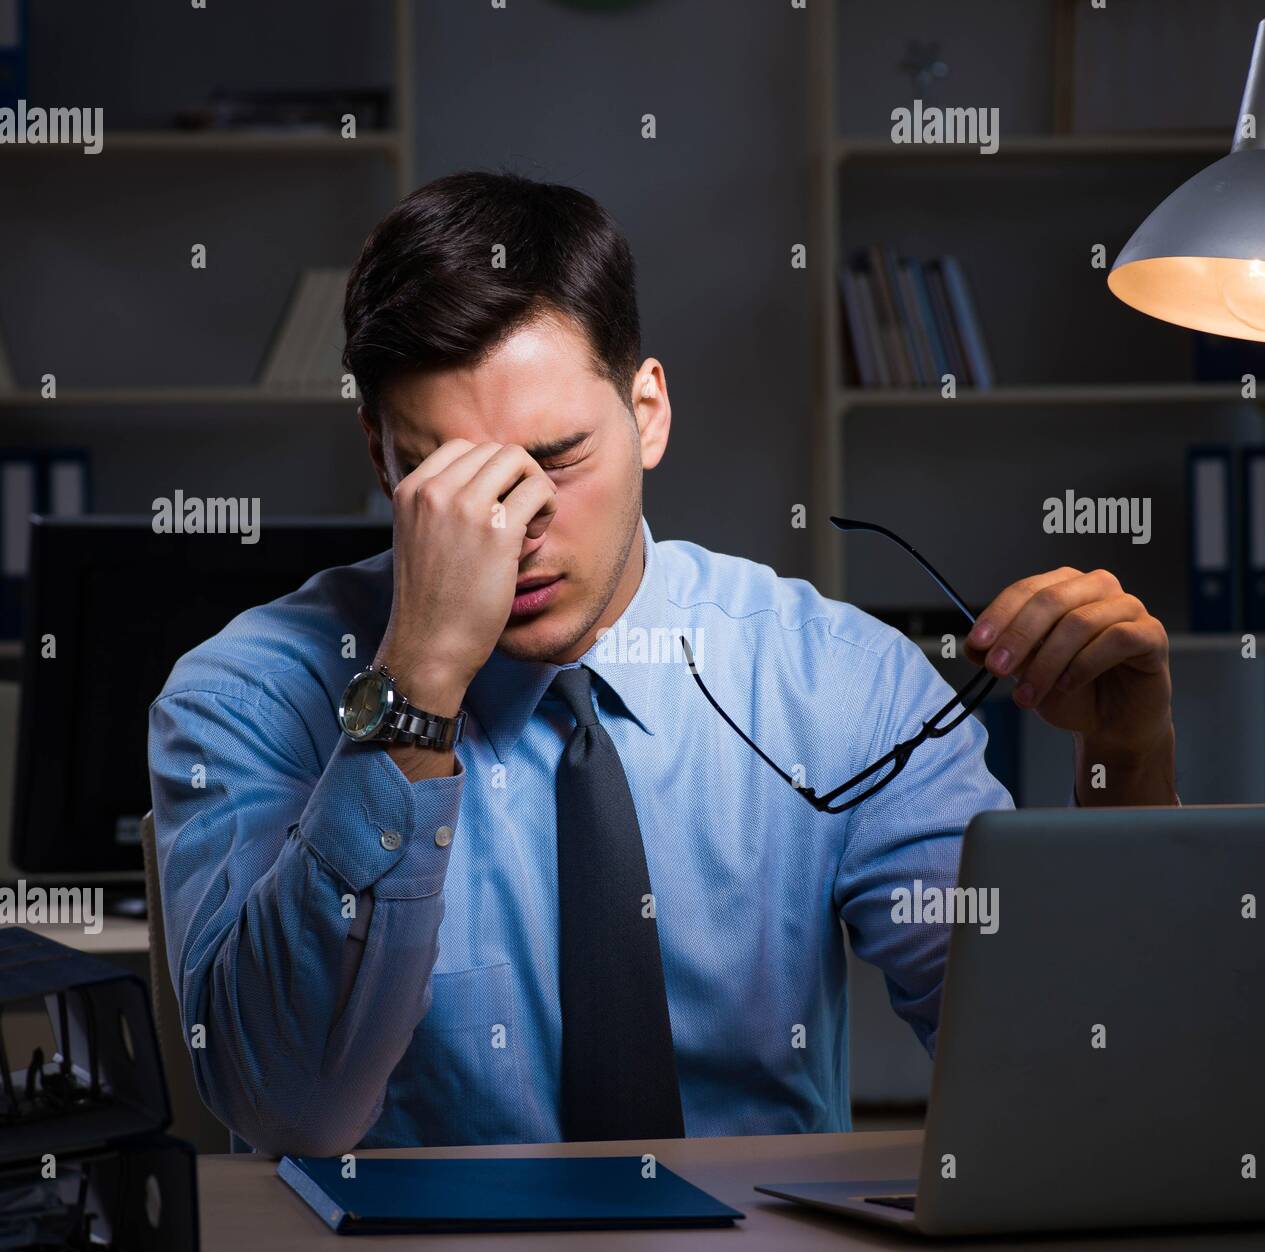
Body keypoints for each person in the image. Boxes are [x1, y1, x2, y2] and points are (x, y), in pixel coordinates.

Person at [148, 171, 1176, 1156]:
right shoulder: (245, 696)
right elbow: (286, 1105)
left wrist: (1127, 767)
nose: (516, 531)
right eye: (452, 480)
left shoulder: (838, 681)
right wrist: (415, 686)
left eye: (555, 461)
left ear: (647, 413)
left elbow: (1069, 1079)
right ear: (380, 456)